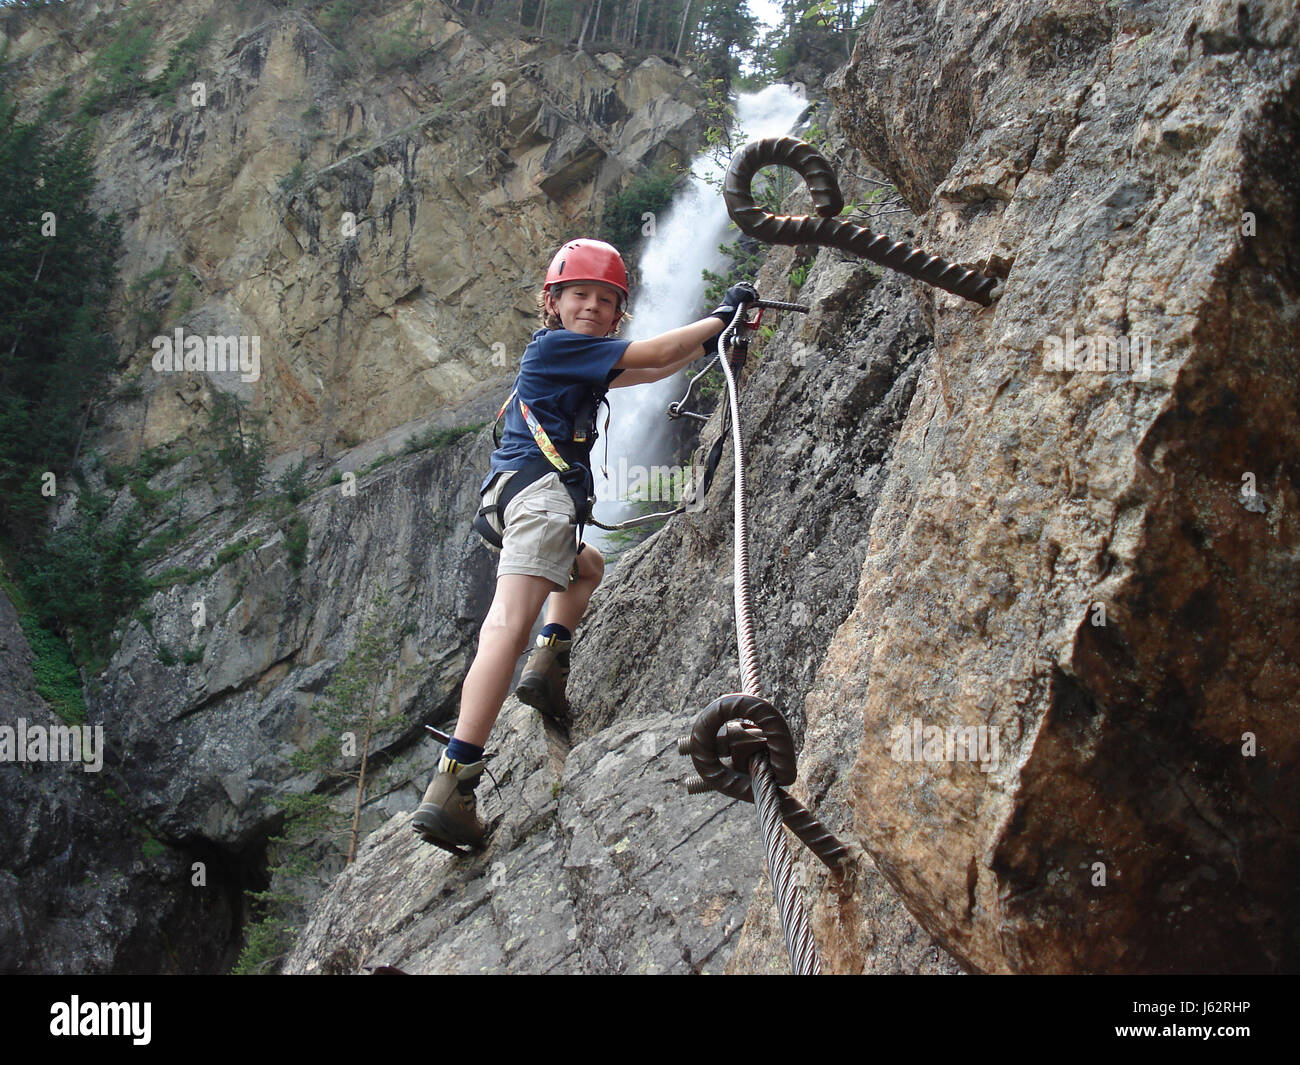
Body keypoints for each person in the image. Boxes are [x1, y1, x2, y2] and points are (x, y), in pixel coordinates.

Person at [412, 237, 758, 852]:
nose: (593, 307)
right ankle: (453, 783)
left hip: (517, 500)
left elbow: (652, 368)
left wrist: (714, 337)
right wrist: (718, 316)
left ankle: (547, 671)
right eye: (580, 295)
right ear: (552, 302)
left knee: (587, 568)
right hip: (542, 498)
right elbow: (652, 351)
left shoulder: (571, 358)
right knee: (508, 624)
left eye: (606, 299)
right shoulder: (556, 347)